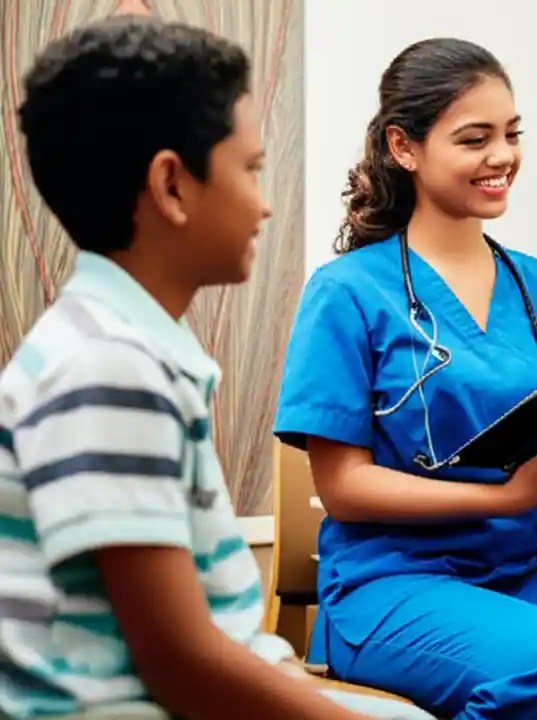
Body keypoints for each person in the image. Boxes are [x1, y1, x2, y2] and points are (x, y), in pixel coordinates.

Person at [0, 16, 428, 720]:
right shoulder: (110, 370)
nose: (264, 204)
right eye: (252, 170)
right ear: (172, 185)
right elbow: (181, 664)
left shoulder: (122, 348)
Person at [274, 37, 537, 719]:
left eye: (512, 134)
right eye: (474, 138)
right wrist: (505, 497)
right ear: (405, 147)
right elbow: (340, 489)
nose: (503, 157)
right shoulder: (347, 292)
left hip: (519, 572)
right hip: (389, 583)